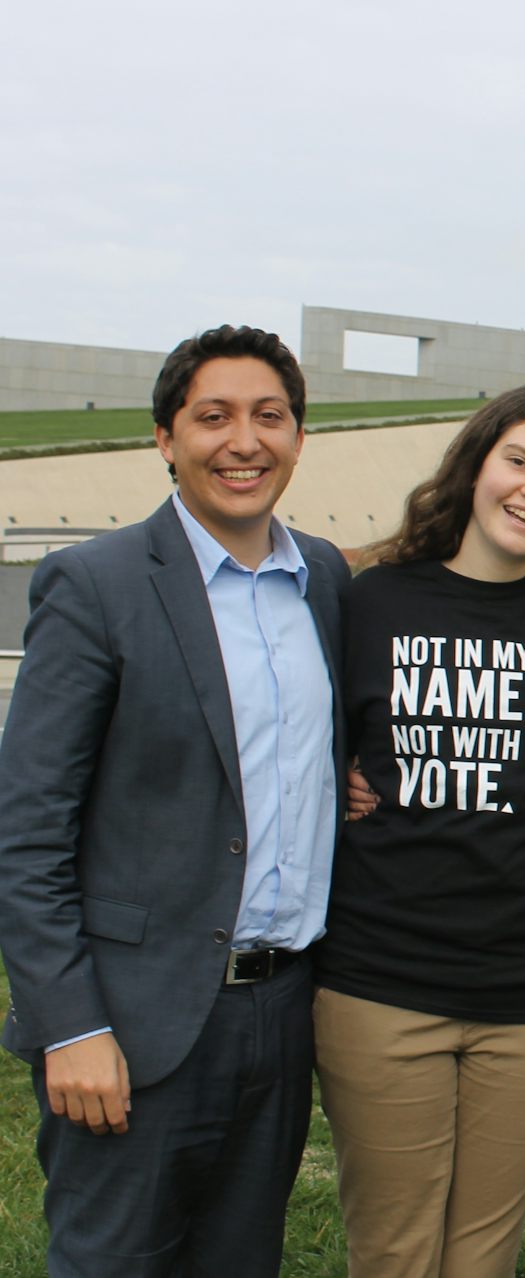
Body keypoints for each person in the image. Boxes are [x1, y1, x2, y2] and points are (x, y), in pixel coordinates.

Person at [0, 325, 348, 1277]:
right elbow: (26, 830)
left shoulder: (322, 579)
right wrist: (71, 1026)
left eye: (269, 416)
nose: (244, 441)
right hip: (132, 1019)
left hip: (281, 1014)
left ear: (299, 436)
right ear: (165, 437)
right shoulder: (97, 584)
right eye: (213, 417)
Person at [313, 385, 525, 1277]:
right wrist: (336, 773)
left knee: (485, 1253)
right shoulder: (372, 601)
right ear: (476, 463)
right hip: (381, 985)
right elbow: (294, 738)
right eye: (519, 462)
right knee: (395, 1250)